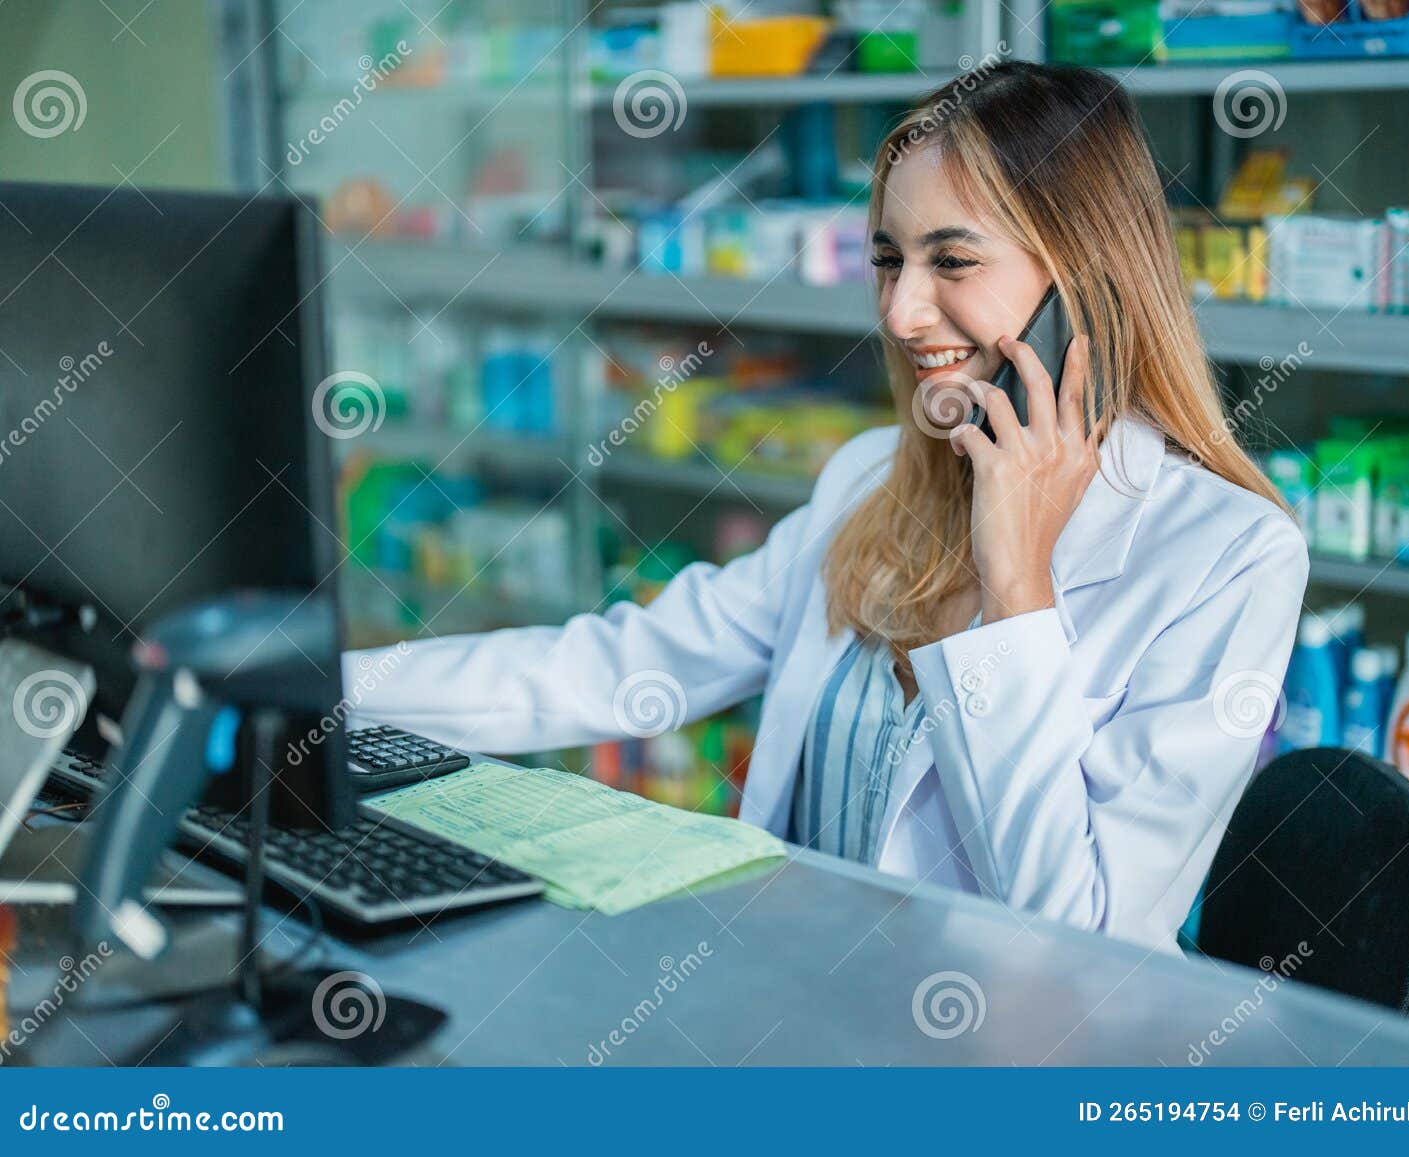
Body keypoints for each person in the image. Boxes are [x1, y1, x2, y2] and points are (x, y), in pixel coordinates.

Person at [342, 63, 1309, 954]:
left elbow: (1078, 935)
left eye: (952, 261)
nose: (900, 312)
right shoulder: (870, 479)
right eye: (889, 259)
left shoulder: (1229, 555)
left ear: (1086, 286)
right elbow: (628, 664)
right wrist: (320, 691)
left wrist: (1017, 584)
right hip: (797, 998)